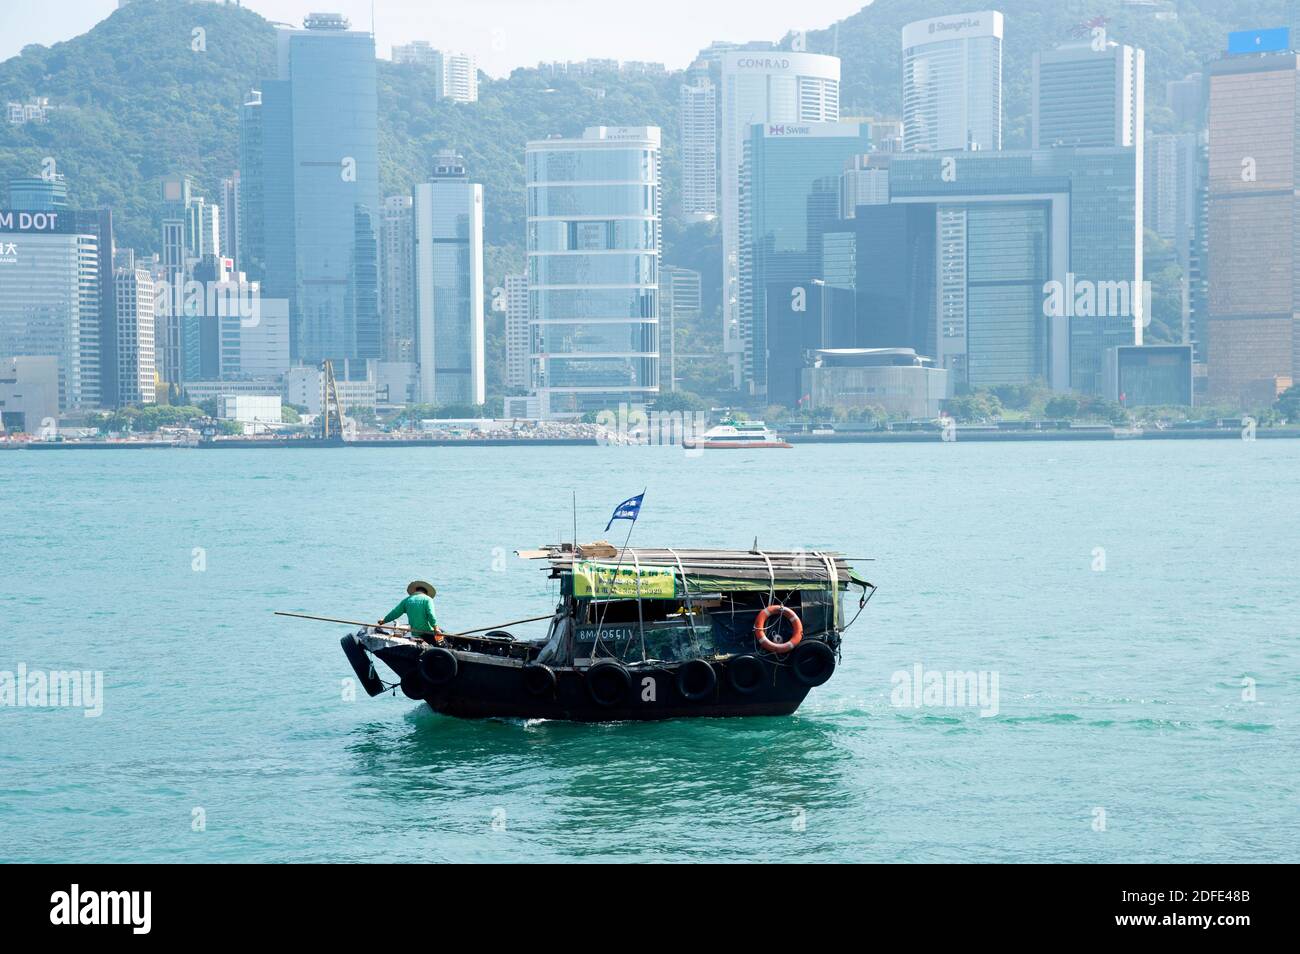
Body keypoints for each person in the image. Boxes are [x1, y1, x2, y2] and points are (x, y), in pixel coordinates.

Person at [377, 581, 443, 641]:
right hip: (428, 633)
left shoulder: (407, 600)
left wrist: (384, 620)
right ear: (426, 593)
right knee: (444, 636)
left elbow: (395, 613)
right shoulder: (428, 599)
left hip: (415, 633)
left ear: (415, 591)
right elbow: (431, 615)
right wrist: (436, 628)